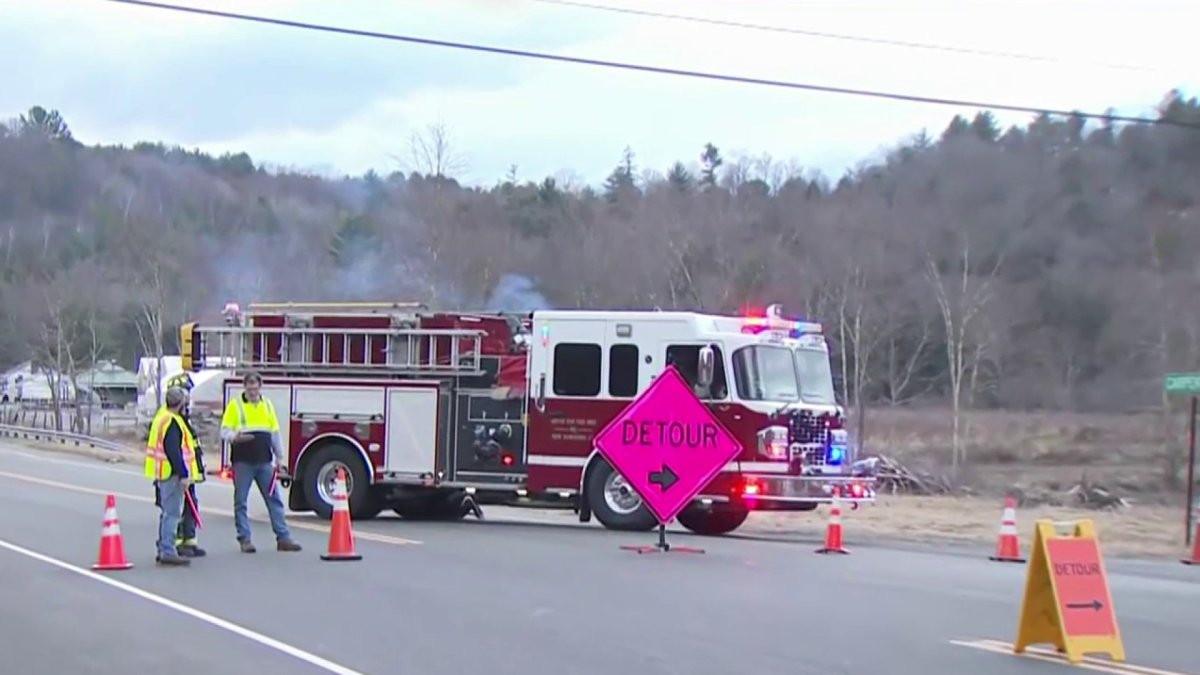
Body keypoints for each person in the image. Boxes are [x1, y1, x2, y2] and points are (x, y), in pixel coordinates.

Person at [220, 370, 302, 553]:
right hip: (243, 462)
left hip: (265, 461)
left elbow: (274, 434)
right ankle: (245, 539)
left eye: (255, 385)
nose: (252, 388)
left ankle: (283, 538)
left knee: (274, 500)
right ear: (245, 386)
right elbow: (224, 432)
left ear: (260, 386)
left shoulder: (267, 405)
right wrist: (235, 437)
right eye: (249, 384)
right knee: (241, 501)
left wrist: (280, 459)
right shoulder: (235, 406)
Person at [145, 387, 199, 566]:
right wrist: (183, 474)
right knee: (172, 513)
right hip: (172, 474)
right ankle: (168, 550)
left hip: (163, 472)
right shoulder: (173, 422)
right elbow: (174, 451)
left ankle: (164, 547)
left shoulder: (162, 418)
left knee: (167, 512)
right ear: (181, 403)